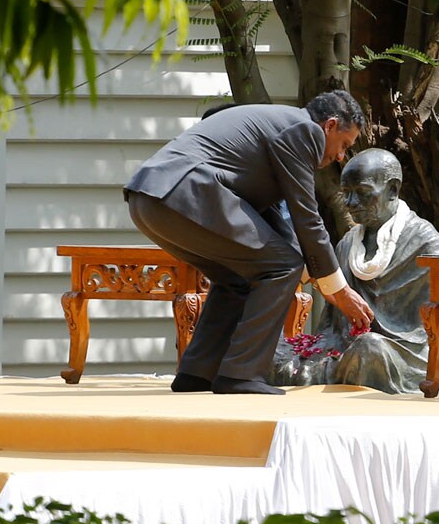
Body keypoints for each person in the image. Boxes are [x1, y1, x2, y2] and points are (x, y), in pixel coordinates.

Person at [123, 90, 374, 395]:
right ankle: (241, 375)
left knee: (237, 278)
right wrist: (338, 289)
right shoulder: (303, 130)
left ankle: (197, 373)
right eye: (344, 145)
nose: (340, 157)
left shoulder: (278, 128)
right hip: (181, 194)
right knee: (282, 266)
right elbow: (306, 217)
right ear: (330, 126)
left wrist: (313, 274)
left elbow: (271, 220)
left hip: (149, 200)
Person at [269, 148, 439, 394]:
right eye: (347, 195)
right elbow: (331, 325)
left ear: (393, 190)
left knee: (369, 350)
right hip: (343, 347)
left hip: (399, 352)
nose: (352, 204)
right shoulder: (348, 243)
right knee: (271, 350)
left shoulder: (426, 244)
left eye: (362, 193)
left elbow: (429, 331)